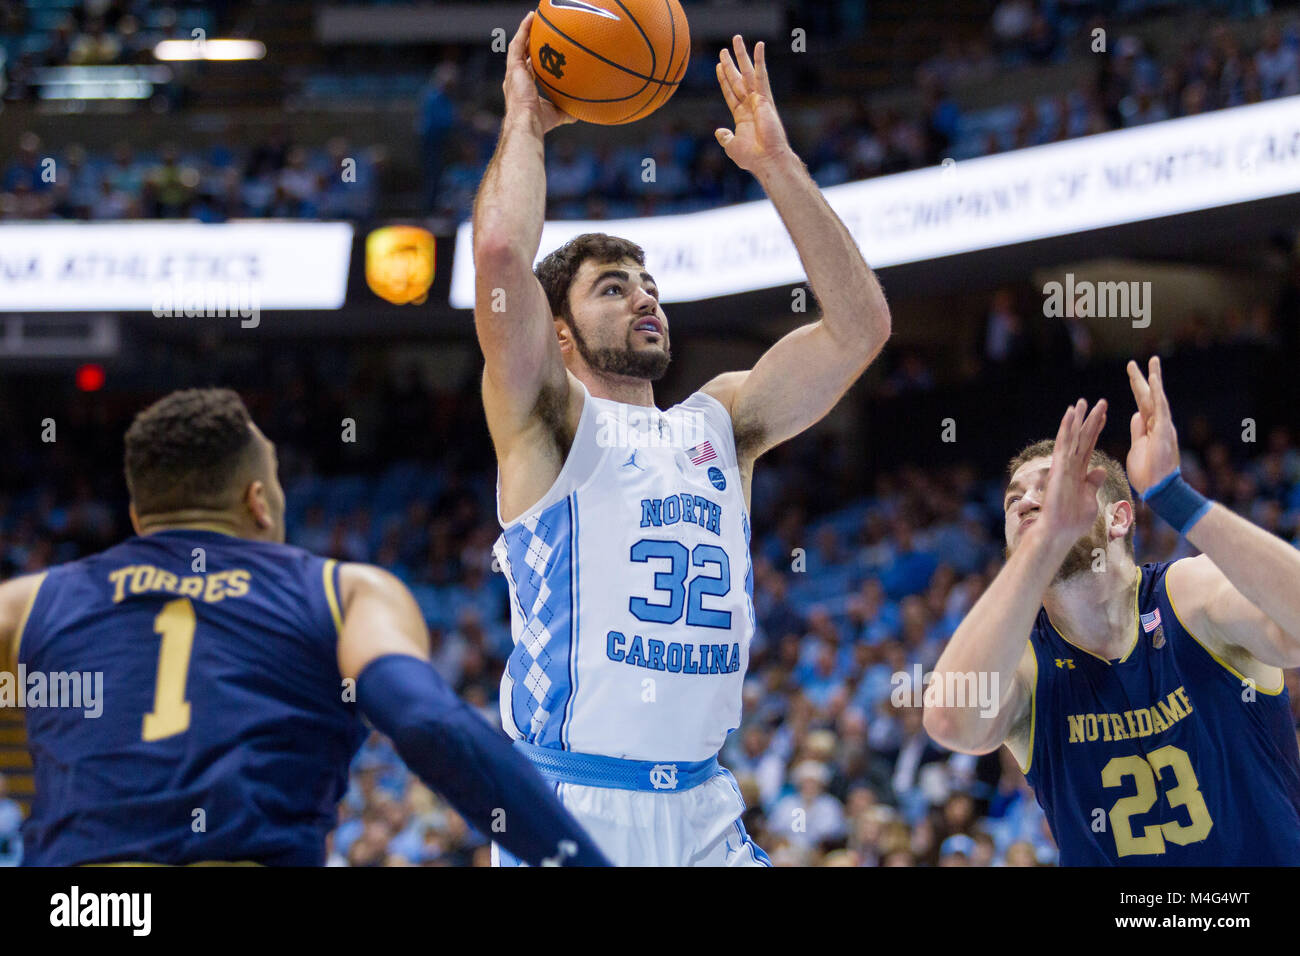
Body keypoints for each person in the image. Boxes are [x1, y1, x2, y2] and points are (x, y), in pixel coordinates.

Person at [471, 14, 891, 865]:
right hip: (571, 803)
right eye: (613, 289)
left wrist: (778, 165)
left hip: (704, 804)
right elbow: (503, 257)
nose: (644, 300)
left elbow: (860, 328)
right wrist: (525, 119)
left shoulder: (720, 423)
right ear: (556, 335)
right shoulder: (548, 424)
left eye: (650, 285)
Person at [0, 388, 609, 867]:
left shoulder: (25, 602)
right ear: (260, 501)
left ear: (139, 515)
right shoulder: (346, 592)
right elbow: (425, 722)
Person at [925, 357, 1300, 864]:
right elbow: (951, 721)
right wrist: (1045, 542)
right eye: (1016, 501)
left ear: (1119, 517)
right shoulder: (1027, 661)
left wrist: (1175, 497)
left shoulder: (1185, 595)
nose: (1029, 503)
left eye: (1055, 486)